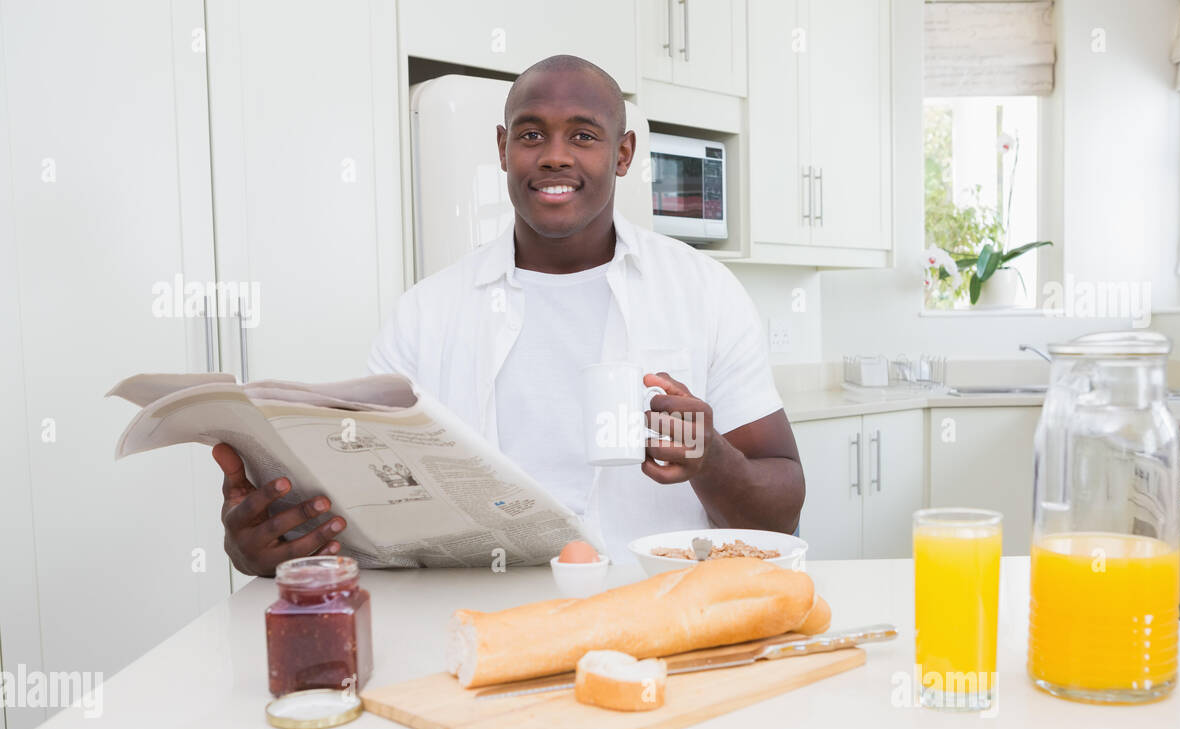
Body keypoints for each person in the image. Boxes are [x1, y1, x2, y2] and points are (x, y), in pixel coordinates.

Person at [214, 55, 805, 577]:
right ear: (502, 148)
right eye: (531, 134)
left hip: (660, 613)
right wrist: (267, 548)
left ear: (623, 155)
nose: (553, 156)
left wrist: (713, 460)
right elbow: (367, 521)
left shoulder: (704, 292)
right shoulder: (425, 315)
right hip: (485, 621)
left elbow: (781, 513)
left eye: (583, 136)